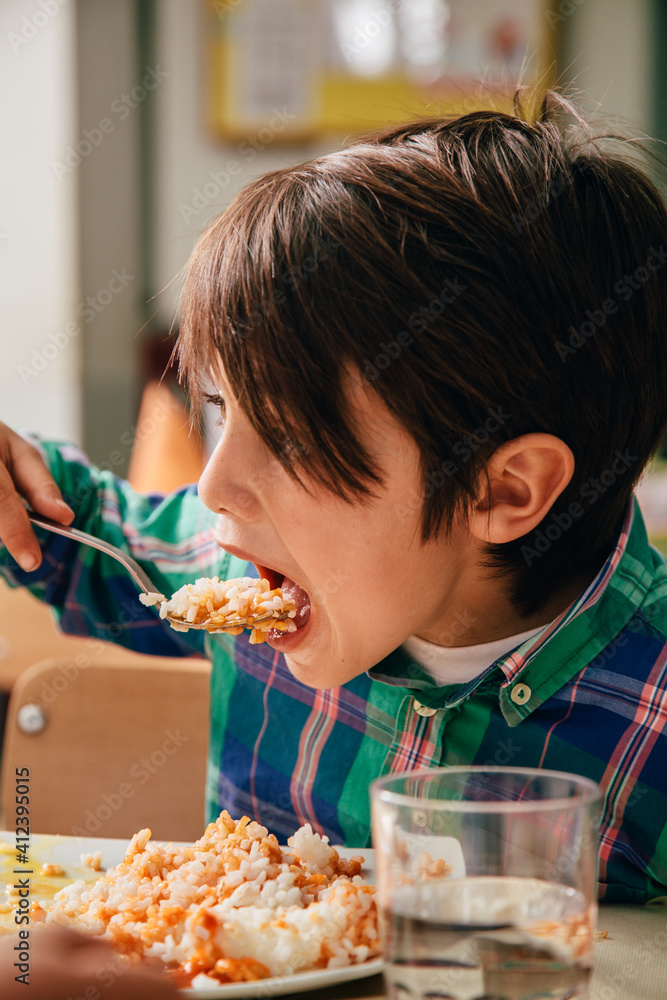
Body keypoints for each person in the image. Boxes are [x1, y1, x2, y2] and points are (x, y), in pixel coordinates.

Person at [1, 92, 666, 913]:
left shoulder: (652, 717)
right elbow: (75, 532)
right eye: (222, 413)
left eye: (288, 439)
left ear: (504, 489)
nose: (212, 488)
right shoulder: (242, 575)